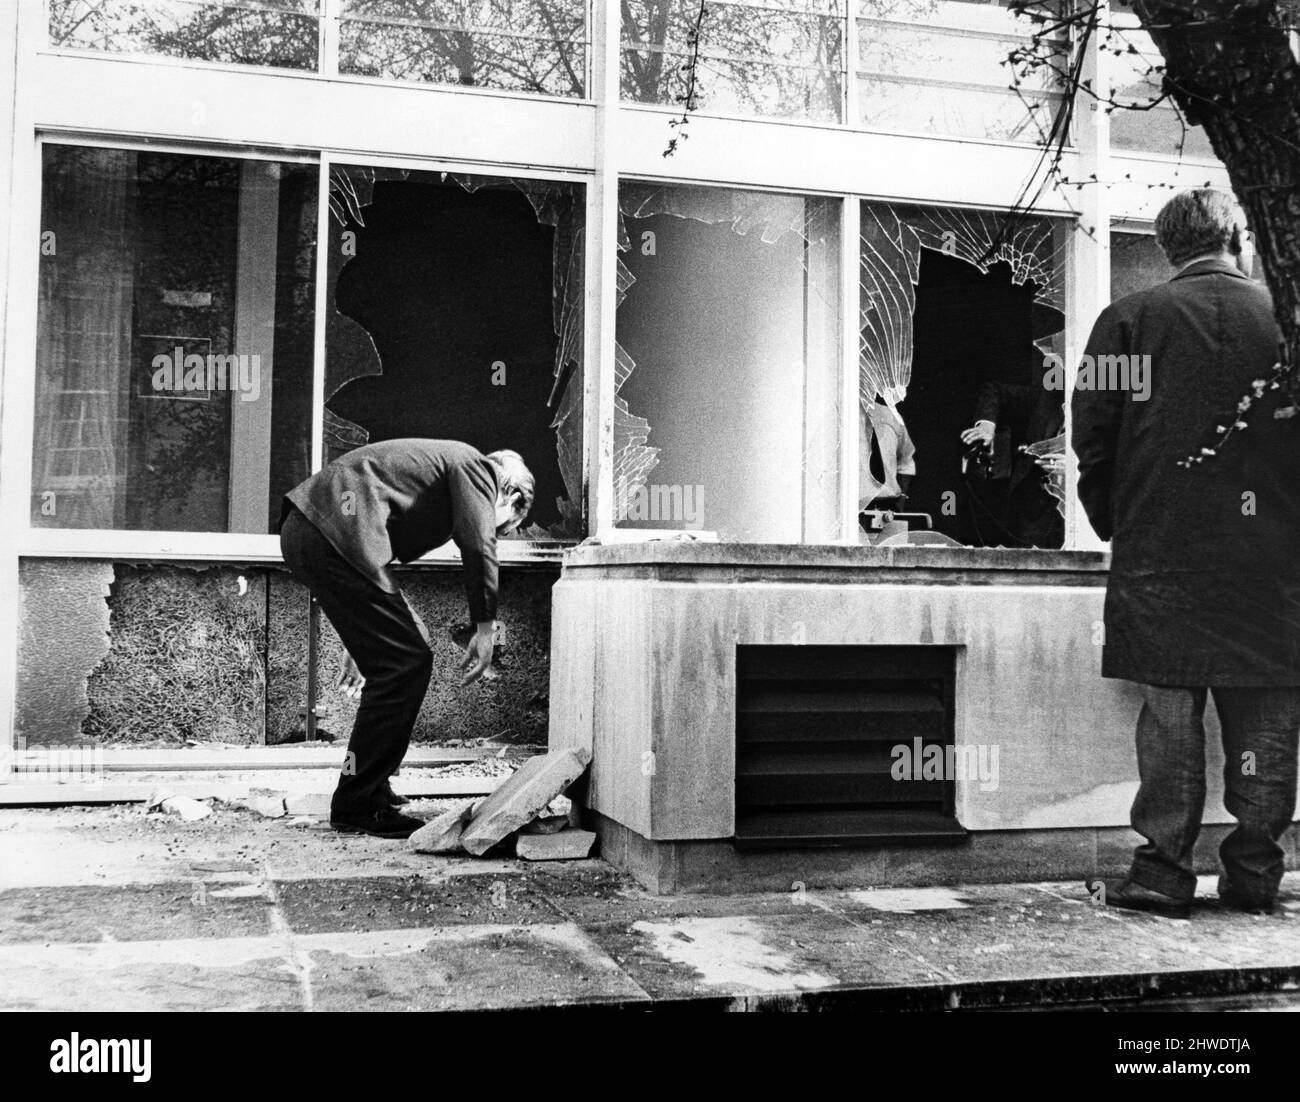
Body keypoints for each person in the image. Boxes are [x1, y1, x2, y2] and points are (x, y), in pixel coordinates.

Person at [1072, 189, 1300, 918]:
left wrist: (1118, 519)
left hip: (1162, 557)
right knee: (1266, 723)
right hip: (1274, 565)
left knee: (1170, 721)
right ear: (1237, 237)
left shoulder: (1129, 320)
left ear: (1169, 247)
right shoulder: (1288, 323)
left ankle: (1162, 873)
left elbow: (1092, 434)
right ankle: (1255, 875)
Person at [279, 440, 534, 838]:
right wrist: (485, 627)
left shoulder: (438, 474)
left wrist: (358, 638)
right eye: (504, 526)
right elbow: (478, 544)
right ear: (511, 496)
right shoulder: (478, 469)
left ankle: (369, 785)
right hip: (332, 533)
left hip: (312, 532)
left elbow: (371, 566)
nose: (495, 532)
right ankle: (357, 801)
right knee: (406, 664)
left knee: (409, 647)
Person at [959, 377, 1065, 548]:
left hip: (1081, 513)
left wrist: (1074, 468)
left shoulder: (1105, 407)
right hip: (1034, 510)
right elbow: (994, 390)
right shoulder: (1047, 397)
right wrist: (986, 426)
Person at [859, 398, 916, 512]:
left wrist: (901, 498)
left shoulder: (889, 415)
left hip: (887, 507)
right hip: (849, 507)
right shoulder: (834, 416)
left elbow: (906, 460)